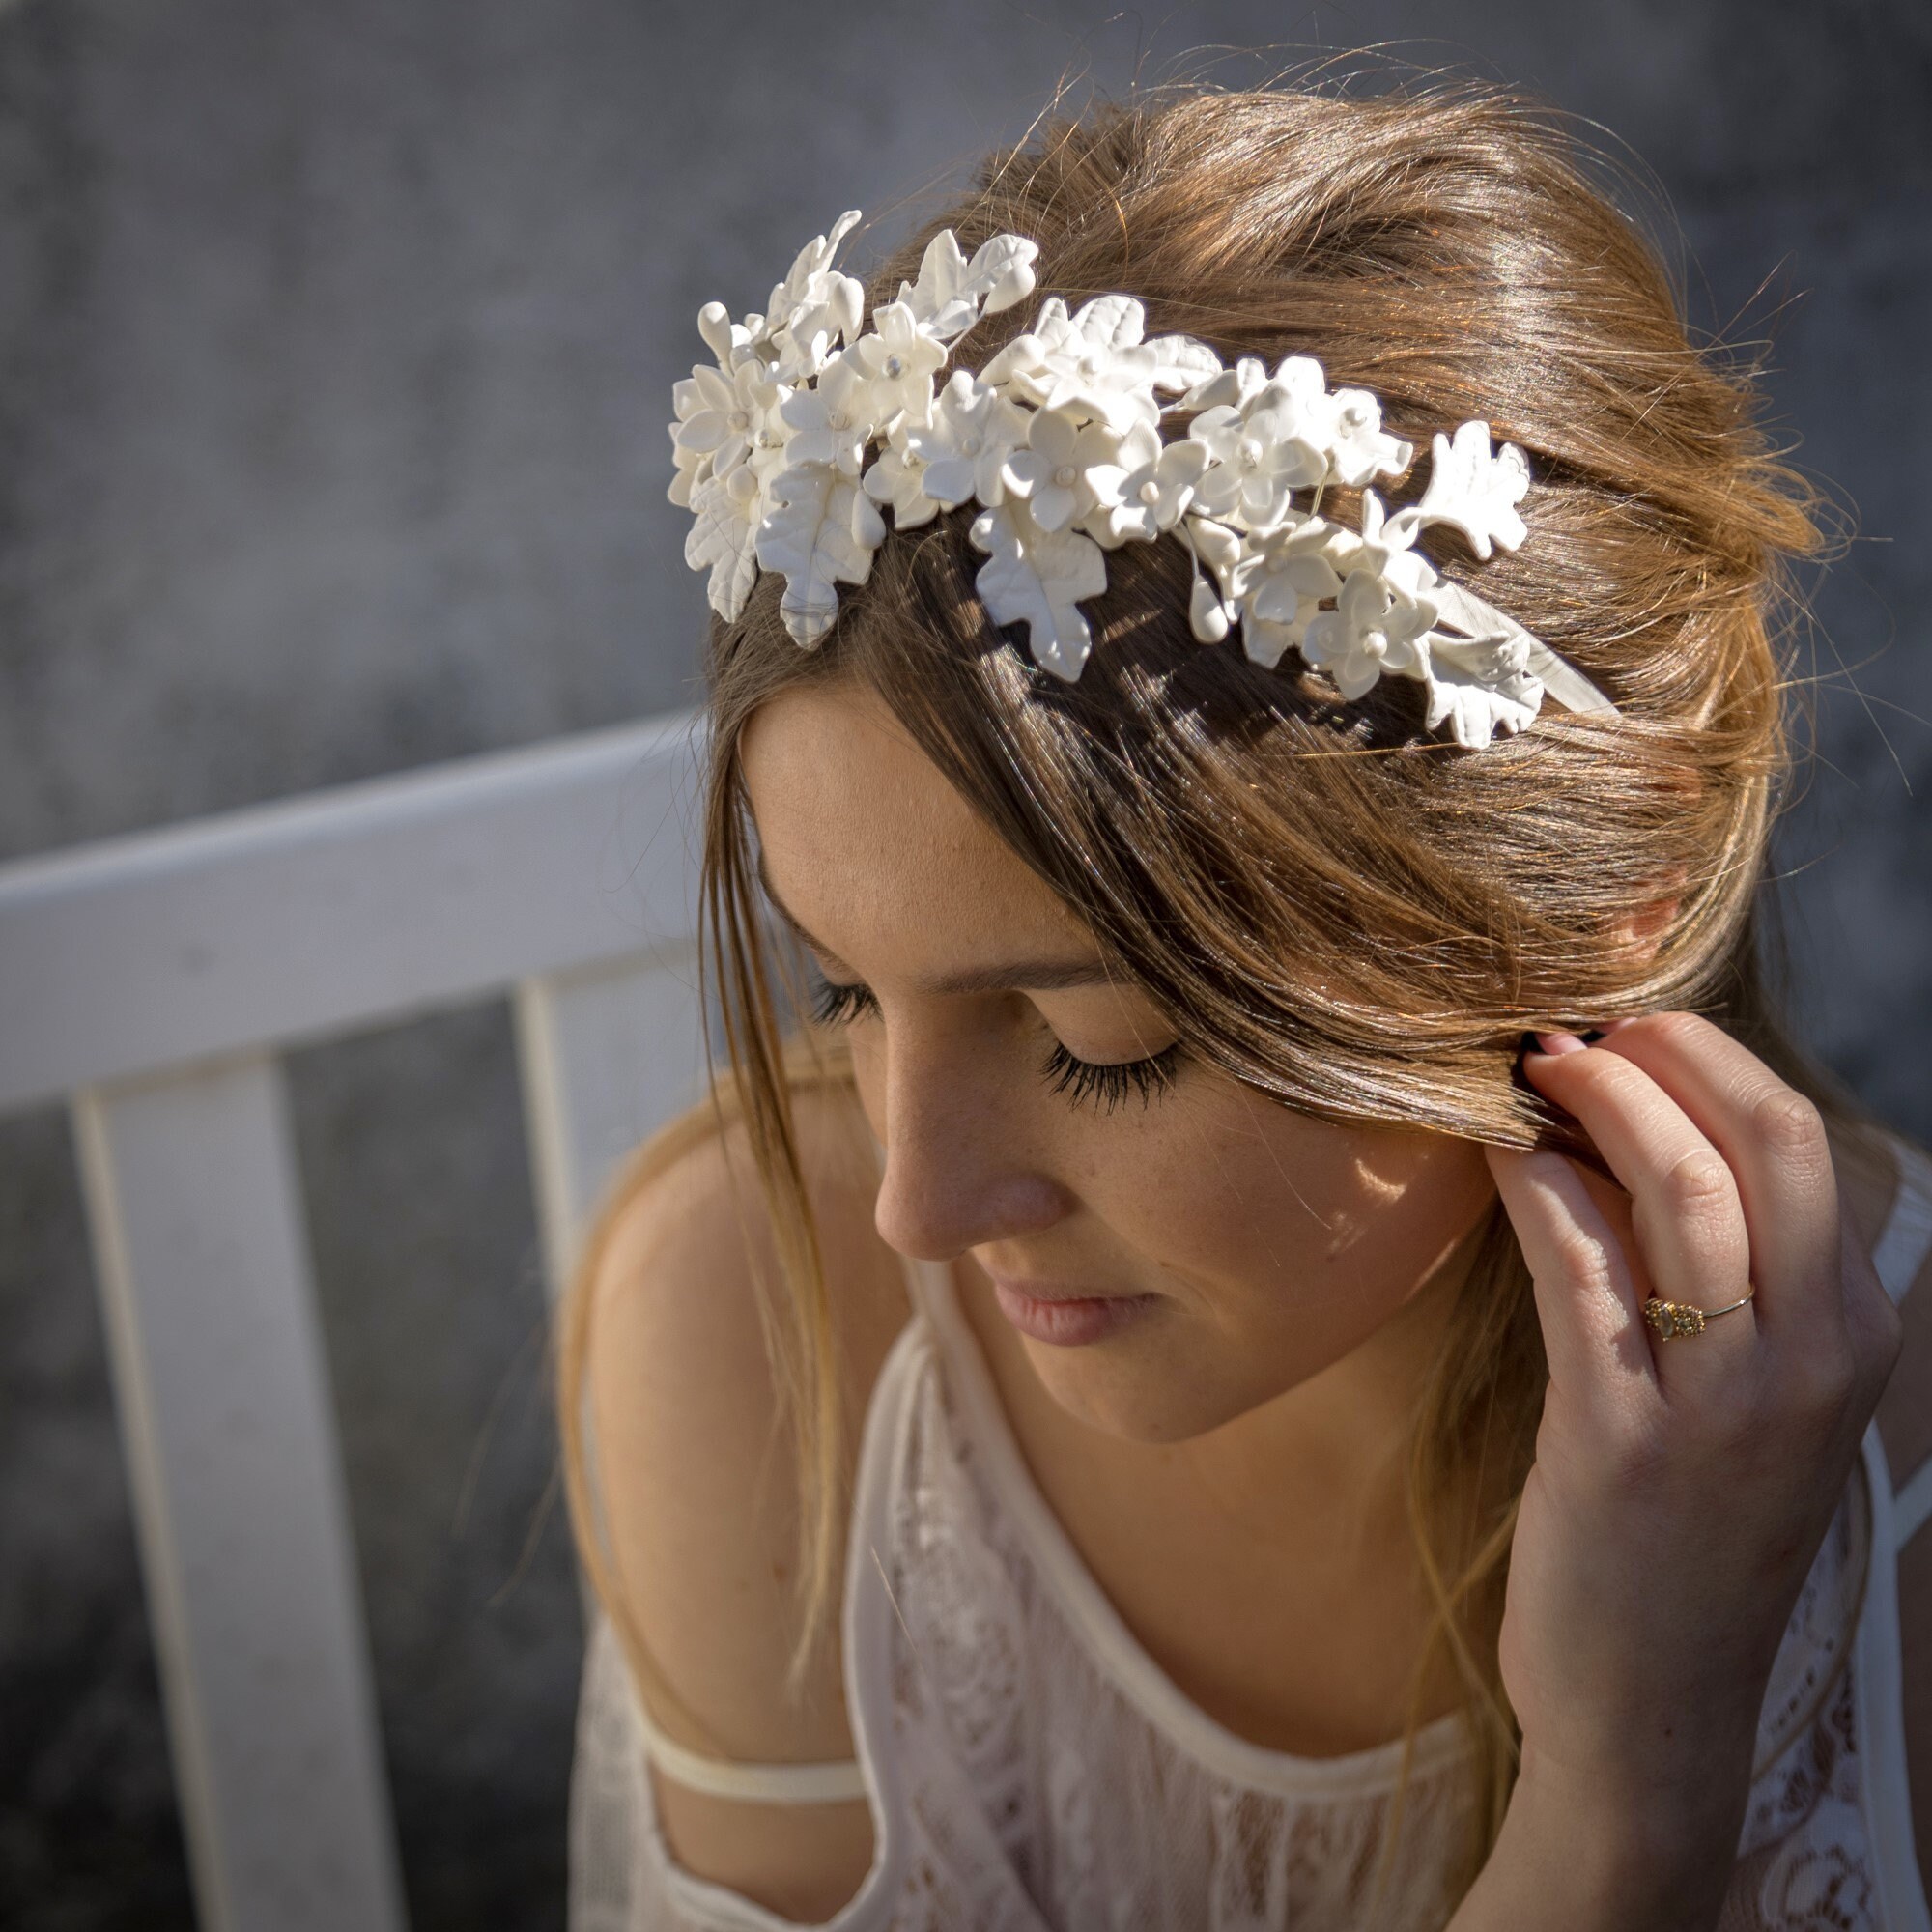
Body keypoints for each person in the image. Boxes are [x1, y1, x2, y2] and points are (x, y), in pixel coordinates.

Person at [558, 76, 1932, 1930]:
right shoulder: (756, 1316)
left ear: (1617, 908)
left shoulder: (1889, 1481)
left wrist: (1655, 1738)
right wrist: (1620, 1803)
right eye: (843, 990)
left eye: (1100, 1044)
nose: (918, 1201)